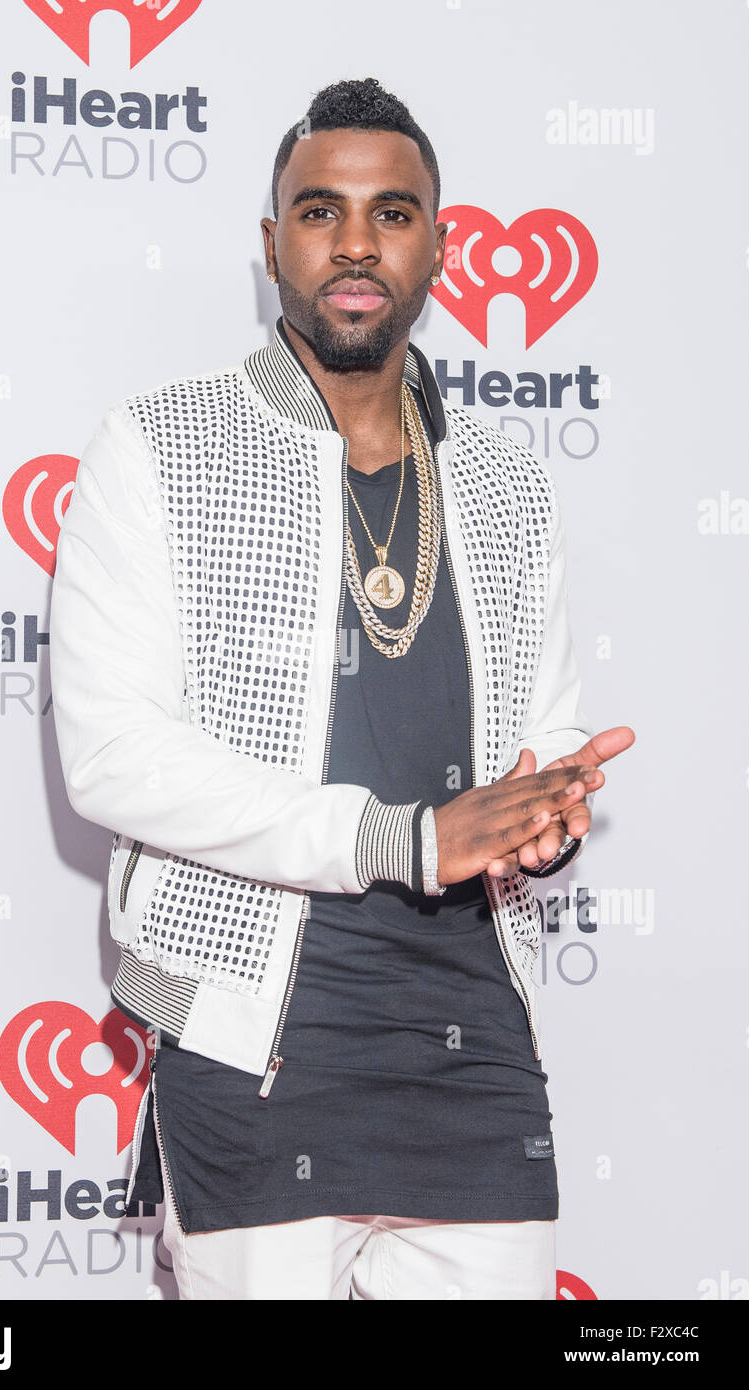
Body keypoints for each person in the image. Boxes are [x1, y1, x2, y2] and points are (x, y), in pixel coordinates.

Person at [49, 76, 634, 1301]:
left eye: (392, 213)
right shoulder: (159, 447)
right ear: (271, 245)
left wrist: (542, 814)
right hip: (250, 1036)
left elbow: (544, 726)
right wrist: (401, 835)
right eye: (320, 212)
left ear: (442, 242)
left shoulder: (509, 482)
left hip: (473, 1044)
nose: (356, 243)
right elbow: (112, 755)